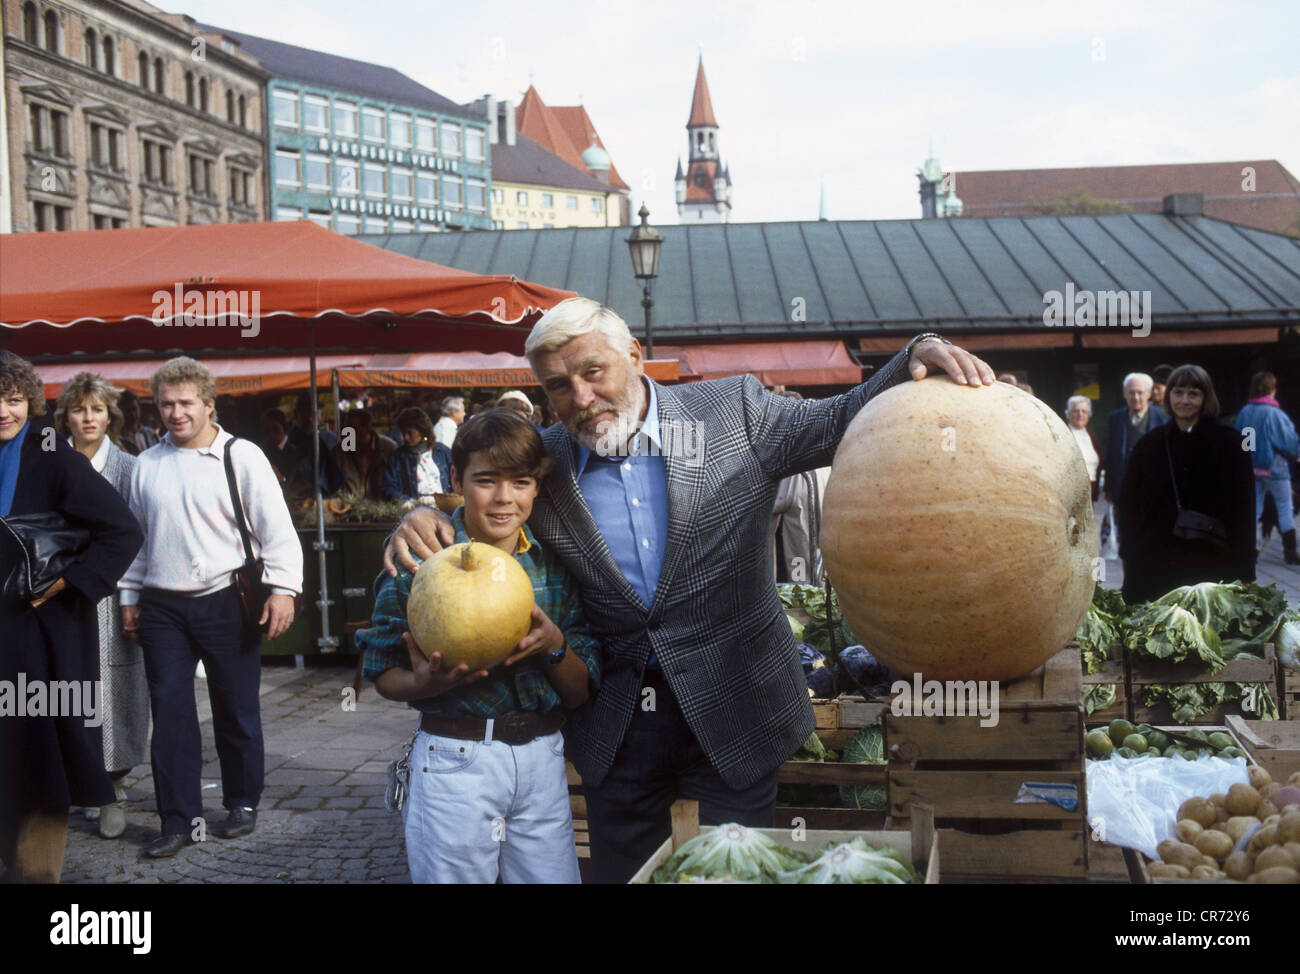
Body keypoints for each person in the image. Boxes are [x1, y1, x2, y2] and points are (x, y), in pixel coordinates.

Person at [382, 296, 994, 883]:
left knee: (728, 876)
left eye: (593, 372)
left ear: (637, 356)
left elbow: (843, 416)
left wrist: (920, 347)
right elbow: (480, 502)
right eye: (558, 387)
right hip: (616, 724)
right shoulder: (542, 465)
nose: (582, 398)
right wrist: (416, 514)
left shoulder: (735, 414)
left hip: (734, 704)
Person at [359, 409, 601, 883]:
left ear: (537, 486)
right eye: (485, 480)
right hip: (455, 758)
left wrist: (553, 646)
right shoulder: (420, 564)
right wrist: (424, 683)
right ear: (456, 478)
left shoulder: (553, 566)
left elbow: (579, 693)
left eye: (521, 483)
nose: (504, 498)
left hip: (543, 757)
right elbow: (381, 669)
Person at [118, 356, 303, 859]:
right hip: (162, 608)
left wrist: (284, 589)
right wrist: (130, 597)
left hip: (227, 600)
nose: (175, 413)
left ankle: (242, 801)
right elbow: (137, 539)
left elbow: (277, 530)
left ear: (208, 404)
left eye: (185, 403)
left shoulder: (240, 456)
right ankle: (177, 818)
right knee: (171, 714)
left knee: (236, 707)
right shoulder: (147, 464)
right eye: (166, 404)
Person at [0, 352, 143, 882]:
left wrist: (68, 582)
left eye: (14, 399)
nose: (3, 411)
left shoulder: (49, 450)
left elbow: (121, 530)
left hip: (42, 639)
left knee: (41, 762)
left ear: (30, 402)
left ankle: (35, 878)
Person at [53, 373, 151, 840]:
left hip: (114, 596)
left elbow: (138, 539)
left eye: (96, 409)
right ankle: (80, 777)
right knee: (71, 683)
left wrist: (131, 596)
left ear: (109, 414)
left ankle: (114, 783)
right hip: (61, 594)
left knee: (117, 682)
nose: (88, 418)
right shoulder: (52, 464)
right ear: (65, 416)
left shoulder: (130, 469)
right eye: (78, 409)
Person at [1117, 365, 1255, 604]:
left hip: (1211, 562)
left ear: (1206, 397)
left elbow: (1244, 508)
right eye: (1178, 392)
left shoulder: (1231, 444)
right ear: (1168, 395)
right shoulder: (1149, 444)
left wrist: (1245, 568)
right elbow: (1128, 503)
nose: (1185, 400)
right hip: (1158, 563)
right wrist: (1129, 554)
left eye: (1194, 394)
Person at [1100, 373, 1169, 559]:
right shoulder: (1115, 419)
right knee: (1127, 537)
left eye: (1140, 392)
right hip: (1124, 489)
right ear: (1124, 393)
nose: (1135, 397)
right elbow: (1111, 454)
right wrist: (1108, 487)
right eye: (1131, 393)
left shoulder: (1163, 417)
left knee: (1153, 535)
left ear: (1149, 394)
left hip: (1154, 489)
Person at [1235, 371, 1300, 565]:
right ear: (1272, 390)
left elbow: (1241, 441)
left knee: (1254, 509)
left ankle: (1251, 551)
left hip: (1252, 467)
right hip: (1275, 468)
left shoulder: (1245, 412)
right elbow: (1288, 442)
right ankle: (1290, 552)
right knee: (1284, 508)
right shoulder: (1275, 414)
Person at [381, 406, 453, 507]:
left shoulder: (442, 452)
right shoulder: (398, 457)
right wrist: (407, 501)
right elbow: (388, 487)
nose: (405, 437)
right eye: (403, 432)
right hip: (415, 510)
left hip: (444, 509)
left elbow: (457, 480)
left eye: (410, 433)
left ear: (422, 430)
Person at [331, 408, 396, 501]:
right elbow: (332, 482)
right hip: (349, 507)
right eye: (346, 428)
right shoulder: (339, 451)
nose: (348, 433)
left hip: (382, 507)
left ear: (368, 428)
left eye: (353, 429)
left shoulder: (388, 448)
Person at [260, 407, 309, 498]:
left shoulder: (298, 450)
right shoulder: (262, 450)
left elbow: (302, 484)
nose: (271, 434)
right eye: (267, 430)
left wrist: (282, 479)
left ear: (285, 427)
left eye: (275, 429)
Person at [1065, 396, 1101, 502]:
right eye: (1076, 411)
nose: (1080, 414)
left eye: (1084, 411)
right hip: (1071, 492)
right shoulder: (1064, 433)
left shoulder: (1091, 435)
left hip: (1091, 489)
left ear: (1089, 415)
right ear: (1069, 414)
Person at [117, 389, 160, 457]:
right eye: (128, 410)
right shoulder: (118, 437)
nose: (132, 414)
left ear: (139, 408)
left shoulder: (150, 434)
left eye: (134, 409)